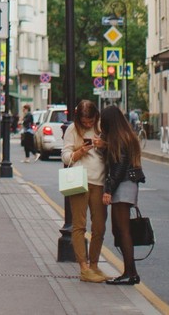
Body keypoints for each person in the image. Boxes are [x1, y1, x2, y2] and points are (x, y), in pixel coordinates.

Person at [61, 99, 107, 283]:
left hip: (100, 180)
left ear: (96, 116)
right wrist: (80, 151)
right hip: (79, 180)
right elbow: (65, 156)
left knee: (100, 226)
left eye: (90, 120)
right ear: (79, 119)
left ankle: (94, 264)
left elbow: (114, 149)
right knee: (79, 225)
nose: (88, 124)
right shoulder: (73, 129)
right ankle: (84, 268)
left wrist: (103, 145)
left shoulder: (102, 127)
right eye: (84, 121)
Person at [99, 104, 146, 286]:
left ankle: (129, 272)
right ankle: (130, 271)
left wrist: (108, 190)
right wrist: (103, 147)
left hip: (123, 185)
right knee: (118, 229)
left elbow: (118, 168)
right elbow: (117, 160)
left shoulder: (119, 139)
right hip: (128, 184)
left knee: (123, 230)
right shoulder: (125, 136)